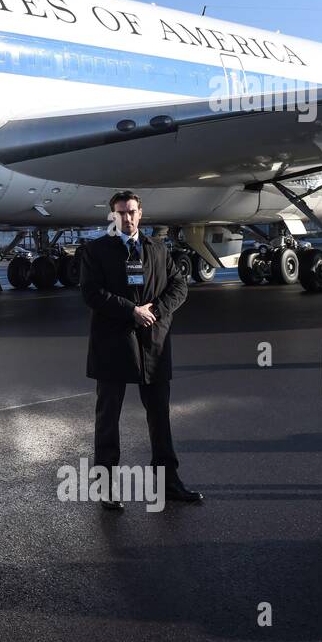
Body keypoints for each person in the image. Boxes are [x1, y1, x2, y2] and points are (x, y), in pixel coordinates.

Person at [79, 191, 202, 510]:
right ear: (112, 216)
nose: (127, 218)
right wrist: (130, 310)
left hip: (153, 343)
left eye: (132, 212)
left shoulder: (158, 250)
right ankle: (105, 487)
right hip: (113, 343)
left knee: (160, 416)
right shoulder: (96, 250)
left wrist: (156, 310)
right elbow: (91, 293)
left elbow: (179, 287)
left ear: (141, 213)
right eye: (120, 213)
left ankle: (168, 482)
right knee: (108, 417)